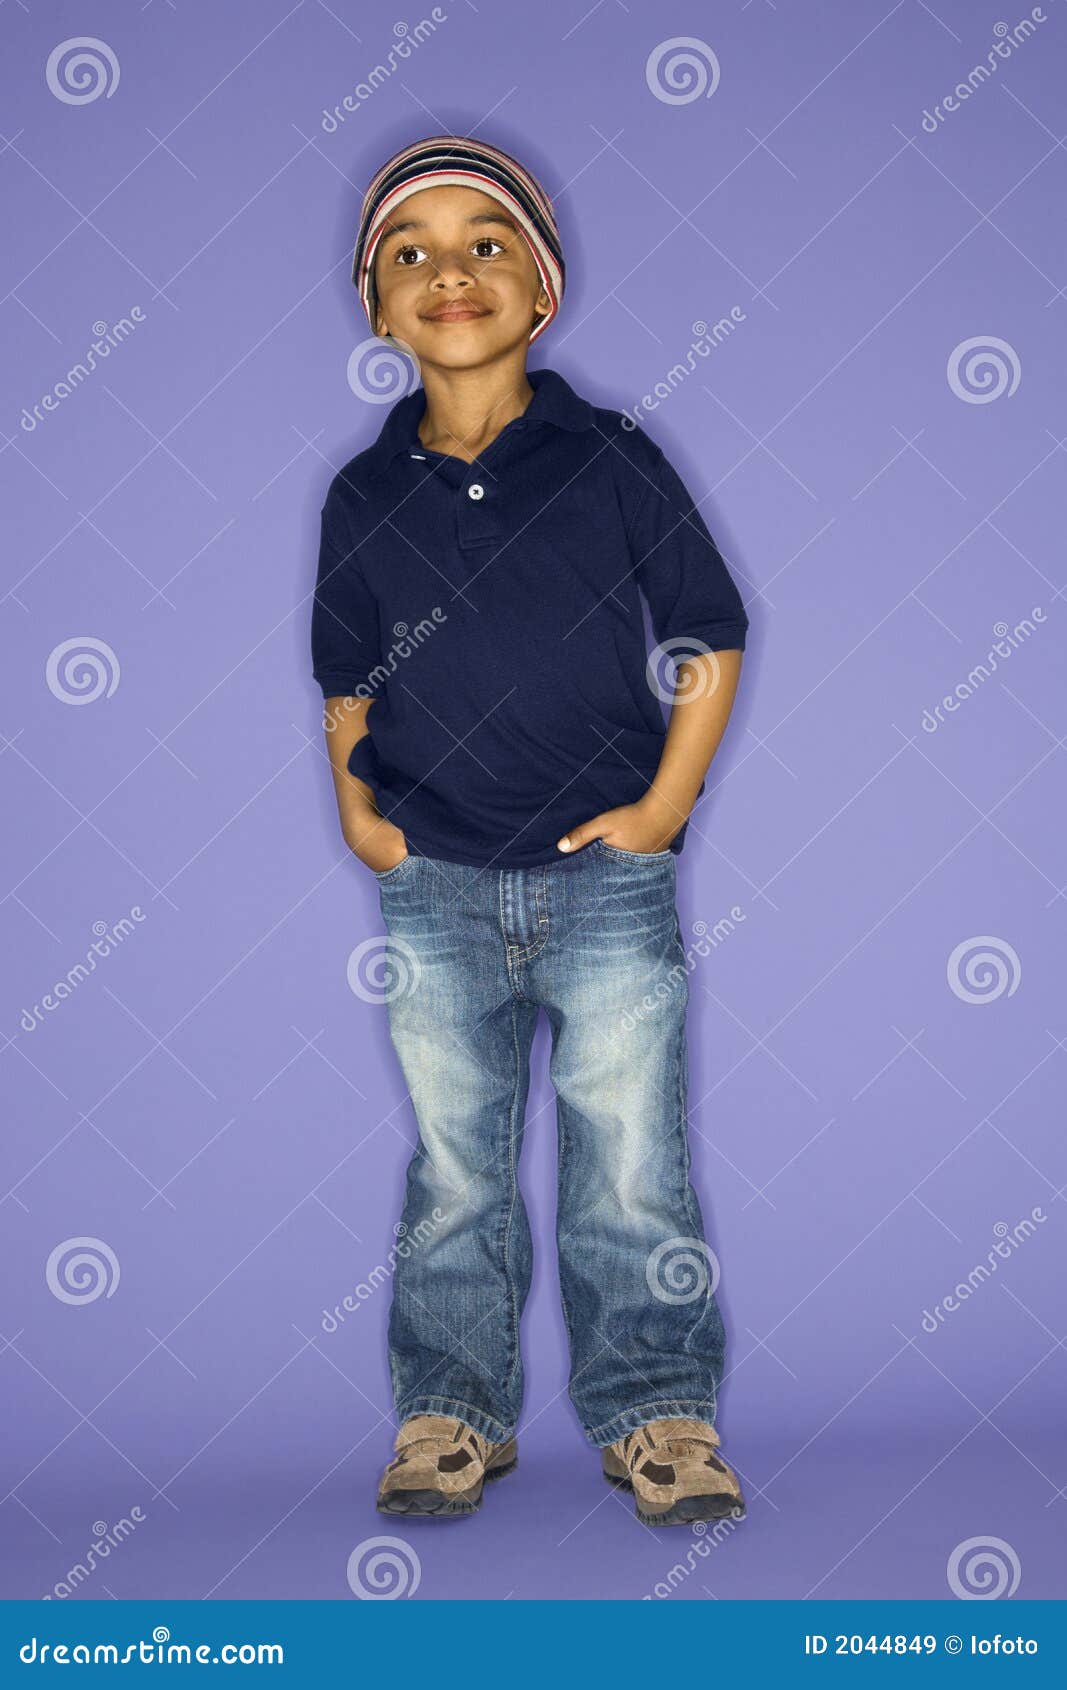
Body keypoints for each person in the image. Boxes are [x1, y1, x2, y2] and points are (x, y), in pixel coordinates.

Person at [312, 136, 750, 1528]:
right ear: (379, 307)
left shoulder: (612, 457)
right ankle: (452, 1411)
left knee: (633, 1157)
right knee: (455, 1167)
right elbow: (346, 682)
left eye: (486, 243)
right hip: (434, 886)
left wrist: (664, 809)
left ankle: (660, 1411)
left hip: (606, 884)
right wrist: (362, 819)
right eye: (413, 253)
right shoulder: (365, 496)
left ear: (542, 290)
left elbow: (710, 634)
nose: (452, 271)